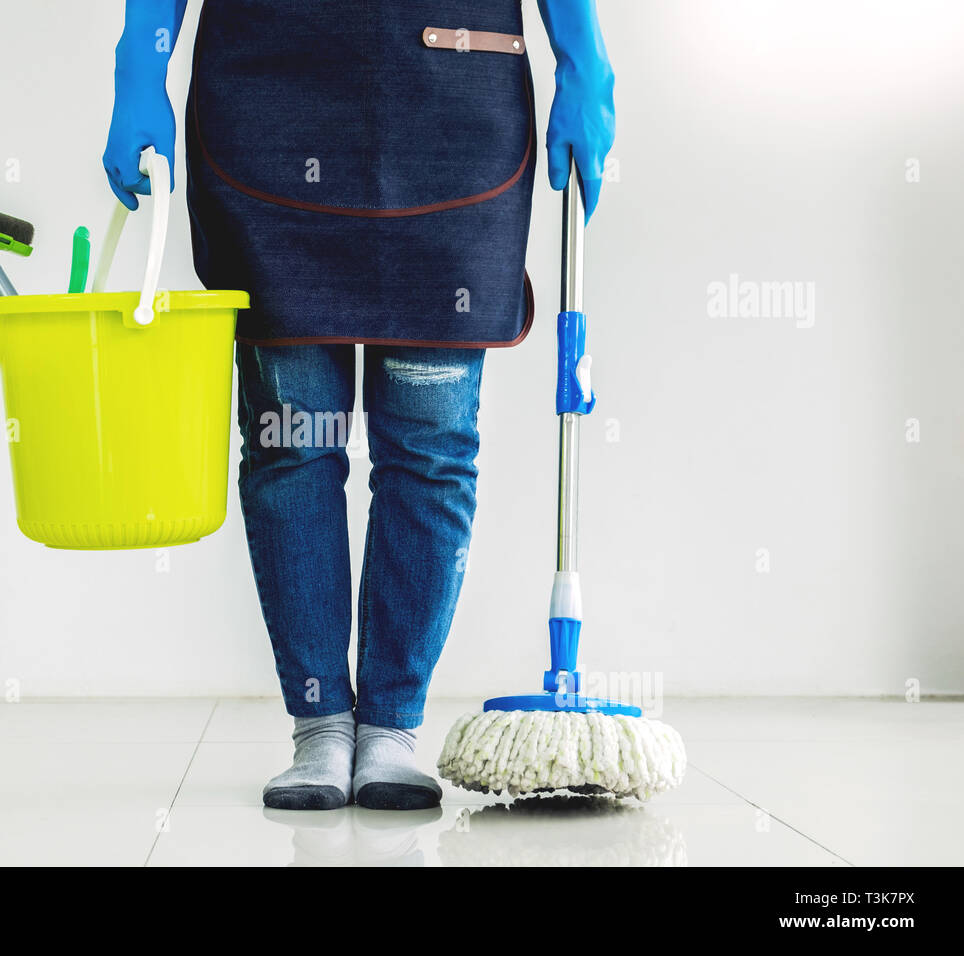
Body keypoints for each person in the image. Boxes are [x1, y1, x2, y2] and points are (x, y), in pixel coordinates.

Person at [104, 0, 615, 810]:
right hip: (269, 103)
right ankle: (320, 727)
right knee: (292, 444)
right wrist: (142, 62)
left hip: (449, 102)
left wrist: (583, 58)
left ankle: (389, 728)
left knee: (430, 447)